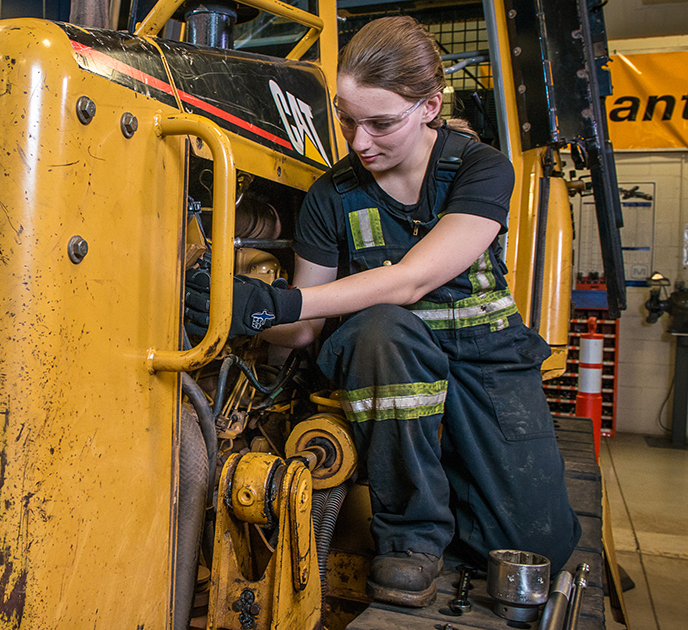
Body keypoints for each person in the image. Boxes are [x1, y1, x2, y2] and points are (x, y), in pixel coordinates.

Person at [185, 16, 581, 608]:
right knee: (379, 332)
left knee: (535, 543)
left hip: (486, 362)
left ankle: (461, 500)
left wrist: (282, 302)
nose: (359, 140)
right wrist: (240, 311)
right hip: (389, 364)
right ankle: (411, 538)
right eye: (346, 118)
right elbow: (304, 329)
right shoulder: (332, 196)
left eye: (381, 122)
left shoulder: (481, 169)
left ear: (429, 106)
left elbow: (414, 277)